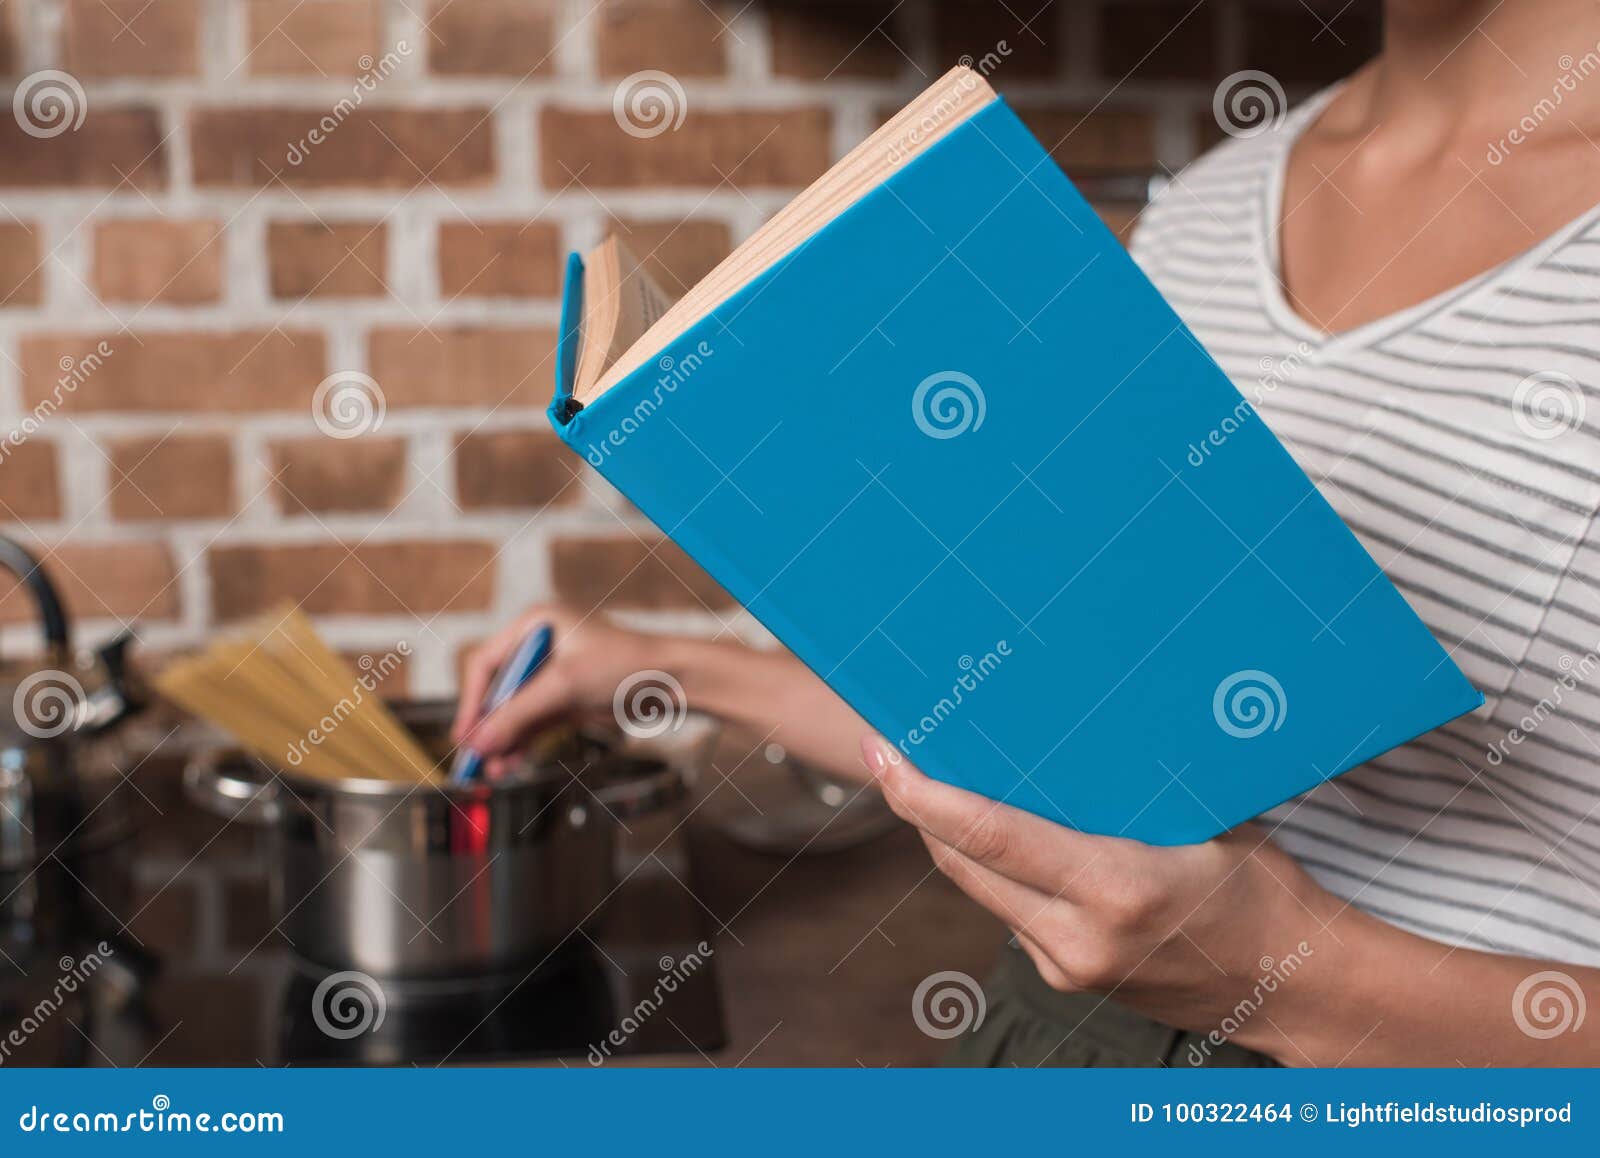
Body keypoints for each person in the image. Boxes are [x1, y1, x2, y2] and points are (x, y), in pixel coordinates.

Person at [455, 0, 1600, 1066]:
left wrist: (1287, 973)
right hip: (1066, 1042)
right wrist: (665, 671)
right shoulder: (1213, 202)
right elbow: (1052, 717)